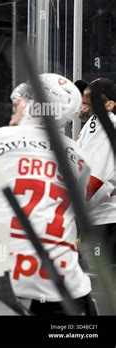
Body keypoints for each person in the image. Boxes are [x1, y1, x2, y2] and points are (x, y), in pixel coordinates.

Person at [0, 73, 98, 315]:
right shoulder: (79, 156)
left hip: (9, 280)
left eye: (21, 100)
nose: (15, 105)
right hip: (69, 288)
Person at [76, 78, 116, 311]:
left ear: (109, 105)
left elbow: (95, 180)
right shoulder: (92, 124)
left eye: (92, 94)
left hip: (108, 223)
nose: (84, 96)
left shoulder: (107, 123)